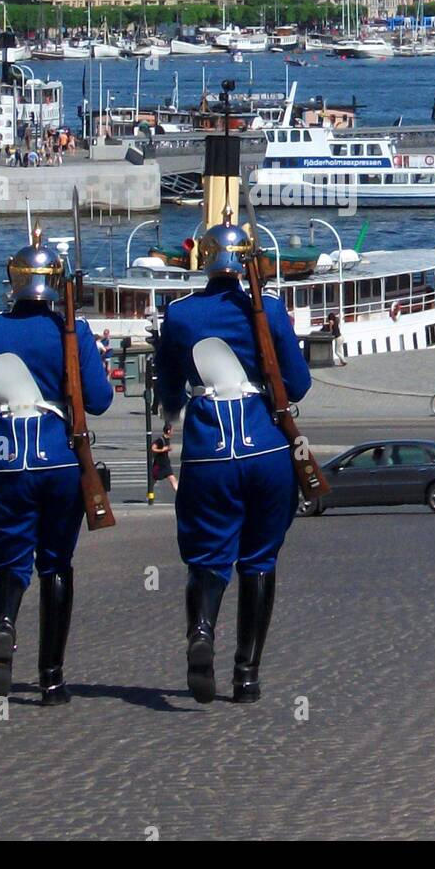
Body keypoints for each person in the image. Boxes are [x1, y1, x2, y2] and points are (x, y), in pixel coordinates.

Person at [155, 215, 312, 705]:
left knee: (207, 557)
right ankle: (247, 676)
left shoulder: (180, 315)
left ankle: (202, 631)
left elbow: (170, 393)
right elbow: (298, 384)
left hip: (209, 453)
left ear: (203, 257)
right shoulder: (266, 306)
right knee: (259, 560)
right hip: (265, 447)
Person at [0, 231, 113, 706]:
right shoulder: (72, 330)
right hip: (59, 459)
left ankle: (5, 623)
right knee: (55, 564)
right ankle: (51, 677)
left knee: (8, 562)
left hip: (5, 459)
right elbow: (100, 399)